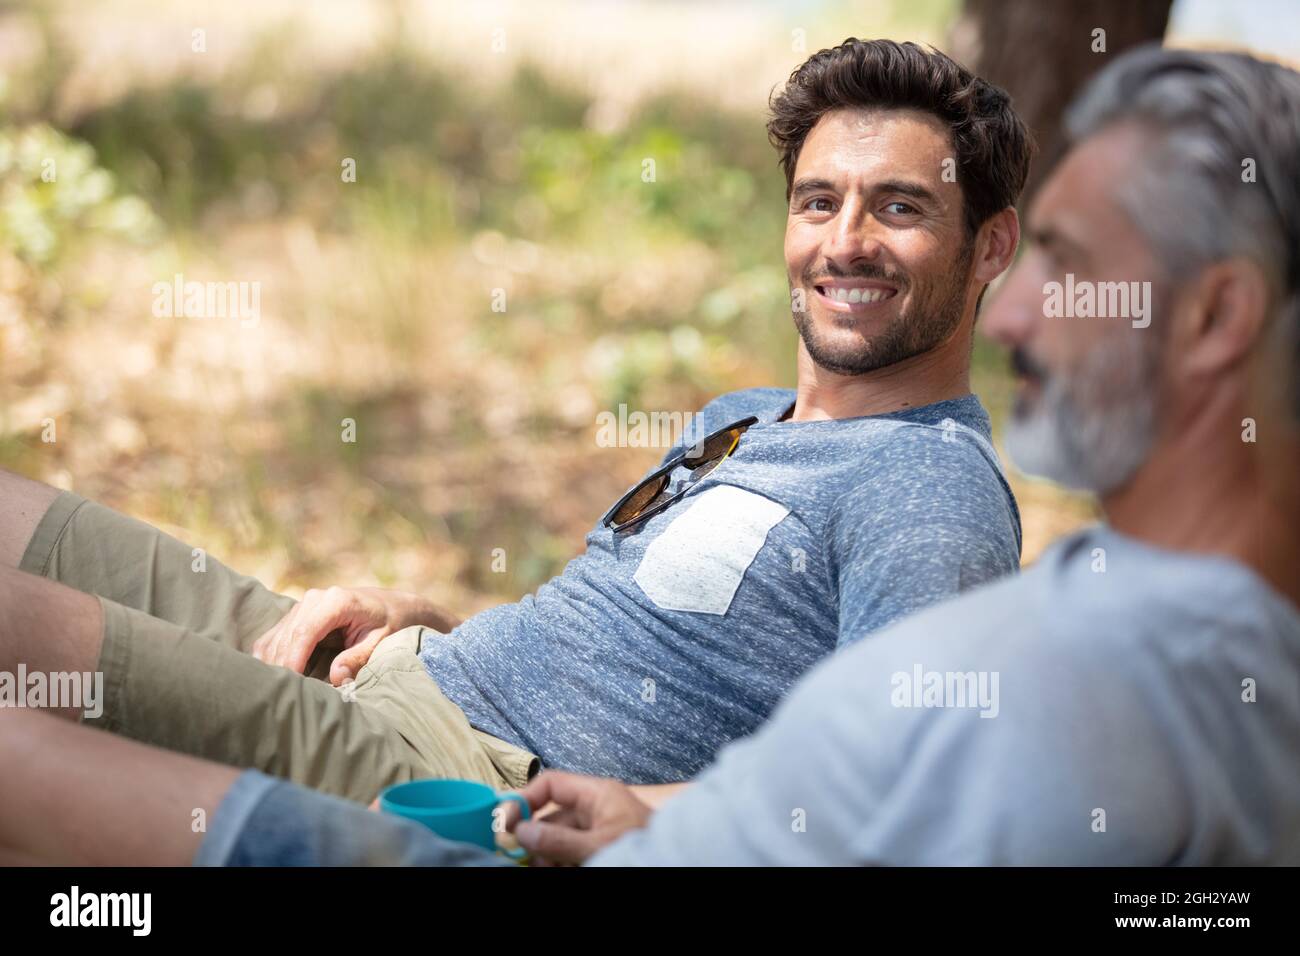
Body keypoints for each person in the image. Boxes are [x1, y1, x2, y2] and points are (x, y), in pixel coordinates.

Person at [0, 38, 1026, 808]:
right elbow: (621, 634)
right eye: (817, 203)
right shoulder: (741, 420)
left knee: (18, 647)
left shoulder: (926, 488)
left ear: (988, 247)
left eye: (898, 208)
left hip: (440, 783)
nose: (844, 242)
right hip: (395, 674)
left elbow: (905, 793)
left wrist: (642, 819)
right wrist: (428, 615)